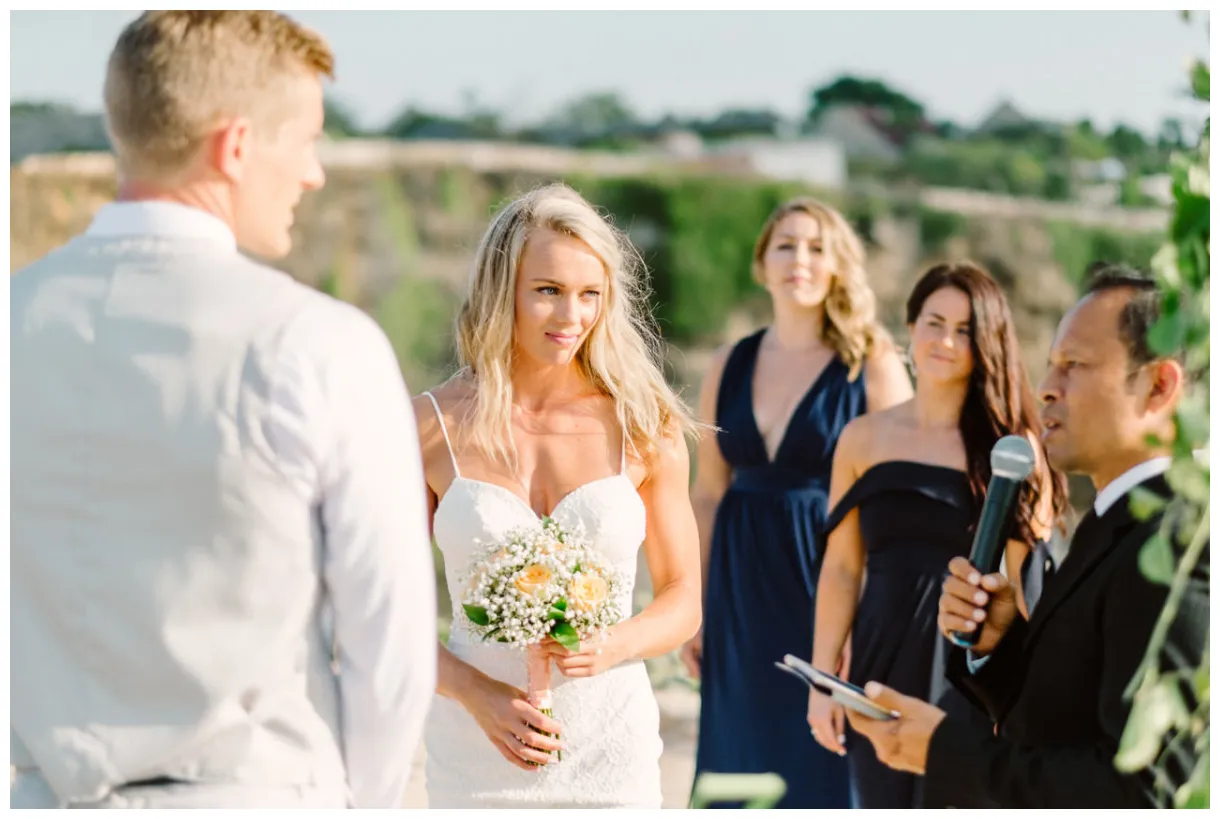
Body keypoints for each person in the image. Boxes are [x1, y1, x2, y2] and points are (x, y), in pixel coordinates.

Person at [10, 12, 437, 809]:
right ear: (235, 147)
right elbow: (392, 649)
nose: (313, 174)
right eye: (304, 140)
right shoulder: (321, 344)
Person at [846, 264, 1209, 808]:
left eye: (1074, 366)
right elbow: (1070, 718)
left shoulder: (1181, 544)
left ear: (1159, 385)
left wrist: (945, 752)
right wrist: (1002, 645)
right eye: (1049, 366)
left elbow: (1145, 793)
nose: (1045, 389)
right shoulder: (1116, 521)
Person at [414, 183, 702, 808]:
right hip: (474, 758)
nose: (572, 318)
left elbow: (683, 599)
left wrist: (615, 643)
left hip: (611, 754)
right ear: (502, 291)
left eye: (589, 295)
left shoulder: (646, 426)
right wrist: (476, 694)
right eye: (548, 291)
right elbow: (381, 608)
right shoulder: (426, 428)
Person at [807, 261, 1068, 808]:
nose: (945, 340)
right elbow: (842, 568)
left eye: (965, 330)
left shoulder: (1014, 447)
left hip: (966, 663)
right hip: (879, 652)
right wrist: (823, 681)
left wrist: (1017, 697)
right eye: (934, 322)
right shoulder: (862, 438)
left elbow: (1030, 586)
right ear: (911, 326)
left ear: (988, 343)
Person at [683, 197, 912, 808]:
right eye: (786, 244)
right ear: (762, 263)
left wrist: (869, 616)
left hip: (828, 582)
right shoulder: (727, 363)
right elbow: (707, 494)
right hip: (738, 588)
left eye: (817, 247)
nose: (800, 260)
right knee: (739, 749)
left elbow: (896, 506)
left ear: (839, 266)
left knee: (823, 758)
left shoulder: (872, 363)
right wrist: (693, 605)